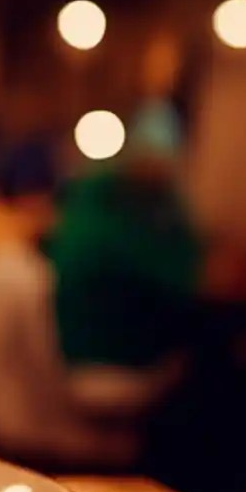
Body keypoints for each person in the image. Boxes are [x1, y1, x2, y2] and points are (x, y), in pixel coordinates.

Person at [49, 100, 202, 418]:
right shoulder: (109, 215)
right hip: (104, 360)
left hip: (90, 359)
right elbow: (181, 281)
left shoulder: (100, 206)